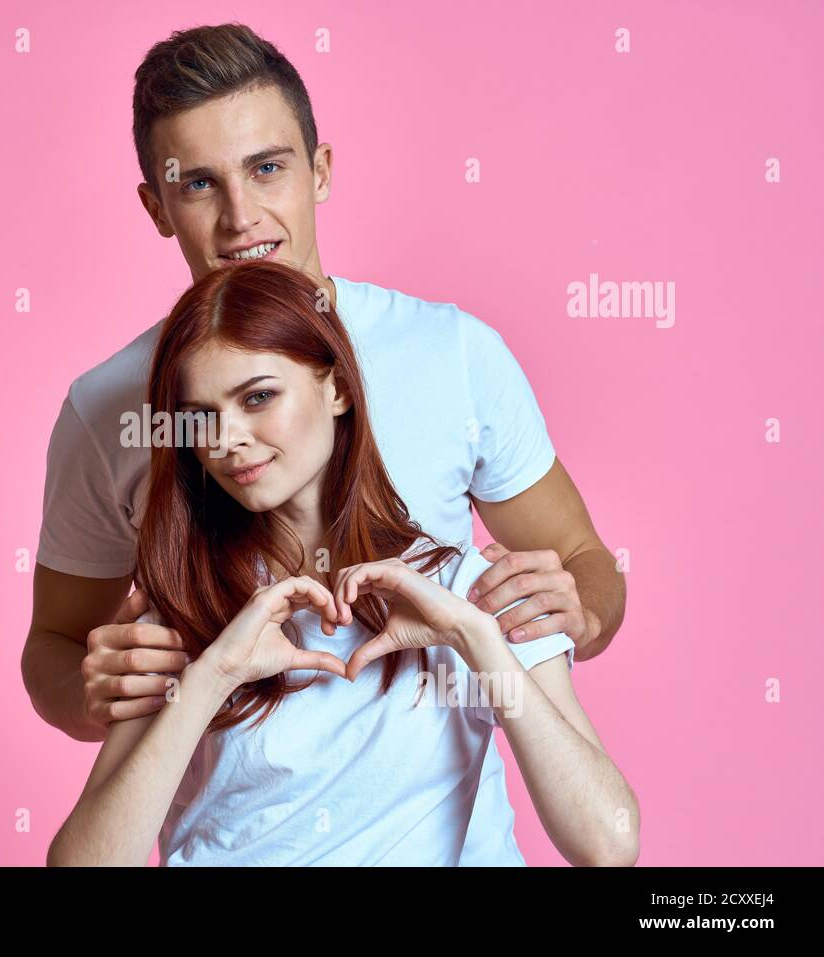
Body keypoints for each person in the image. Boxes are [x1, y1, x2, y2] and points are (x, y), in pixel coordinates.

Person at [22, 22, 627, 865]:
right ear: (156, 206)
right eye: (198, 184)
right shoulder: (109, 412)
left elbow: (585, 565)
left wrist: (569, 617)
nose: (241, 217)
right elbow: (56, 647)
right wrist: (105, 691)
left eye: (267, 167)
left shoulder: (451, 354)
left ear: (320, 170)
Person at [46, 260, 638, 866]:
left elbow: (609, 842)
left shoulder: (465, 590)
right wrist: (213, 674)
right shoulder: (184, 611)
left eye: (258, 397)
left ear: (337, 390)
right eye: (200, 416)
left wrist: (473, 635)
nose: (227, 439)